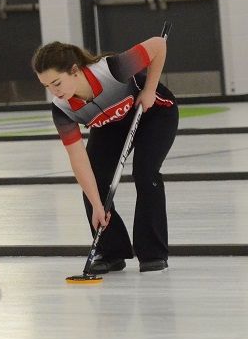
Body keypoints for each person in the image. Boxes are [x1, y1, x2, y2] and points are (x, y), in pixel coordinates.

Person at [32, 32, 178, 273]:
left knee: (145, 172)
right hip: (110, 125)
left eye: (56, 83)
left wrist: (150, 89)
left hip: (153, 114)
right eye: (46, 86)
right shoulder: (62, 109)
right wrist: (97, 205)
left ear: (75, 71)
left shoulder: (112, 70)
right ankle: (111, 252)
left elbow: (158, 44)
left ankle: (153, 253)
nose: (54, 92)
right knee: (94, 184)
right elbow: (78, 159)